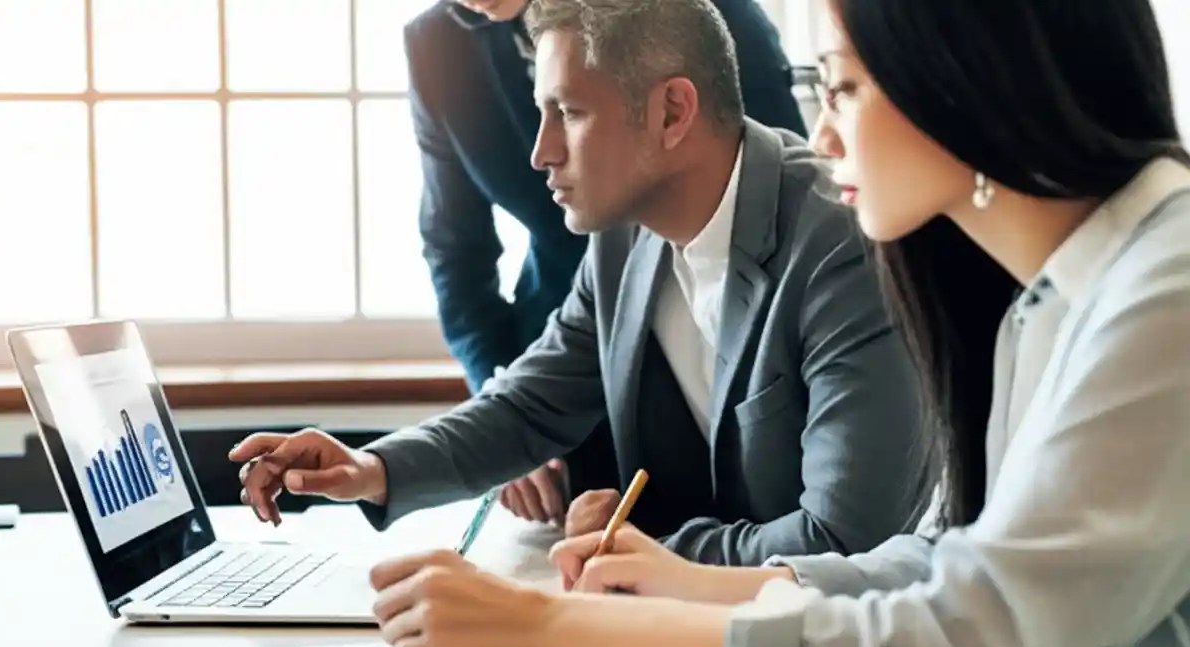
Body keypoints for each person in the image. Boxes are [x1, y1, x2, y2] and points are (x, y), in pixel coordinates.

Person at [363, 1, 1190, 647]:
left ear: (969, 80)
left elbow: (967, 633)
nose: (822, 134)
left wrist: (544, 624)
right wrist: (684, 581)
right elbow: (948, 558)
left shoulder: (1168, 288)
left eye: (843, 87)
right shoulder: (1052, 297)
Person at [233, 0, 926, 567]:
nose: (541, 151)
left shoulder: (844, 247)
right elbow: (529, 407)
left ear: (673, 112)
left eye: (568, 112)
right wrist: (370, 468)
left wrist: (645, 547)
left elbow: (843, 545)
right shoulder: (622, 239)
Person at [410, 0, 808, 524]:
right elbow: (454, 250)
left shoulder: (691, 19)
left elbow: (784, 201)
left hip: (734, 349)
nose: (543, 151)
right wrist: (508, 417)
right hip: (565, 365)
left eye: (569, 114)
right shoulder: (438, 43)